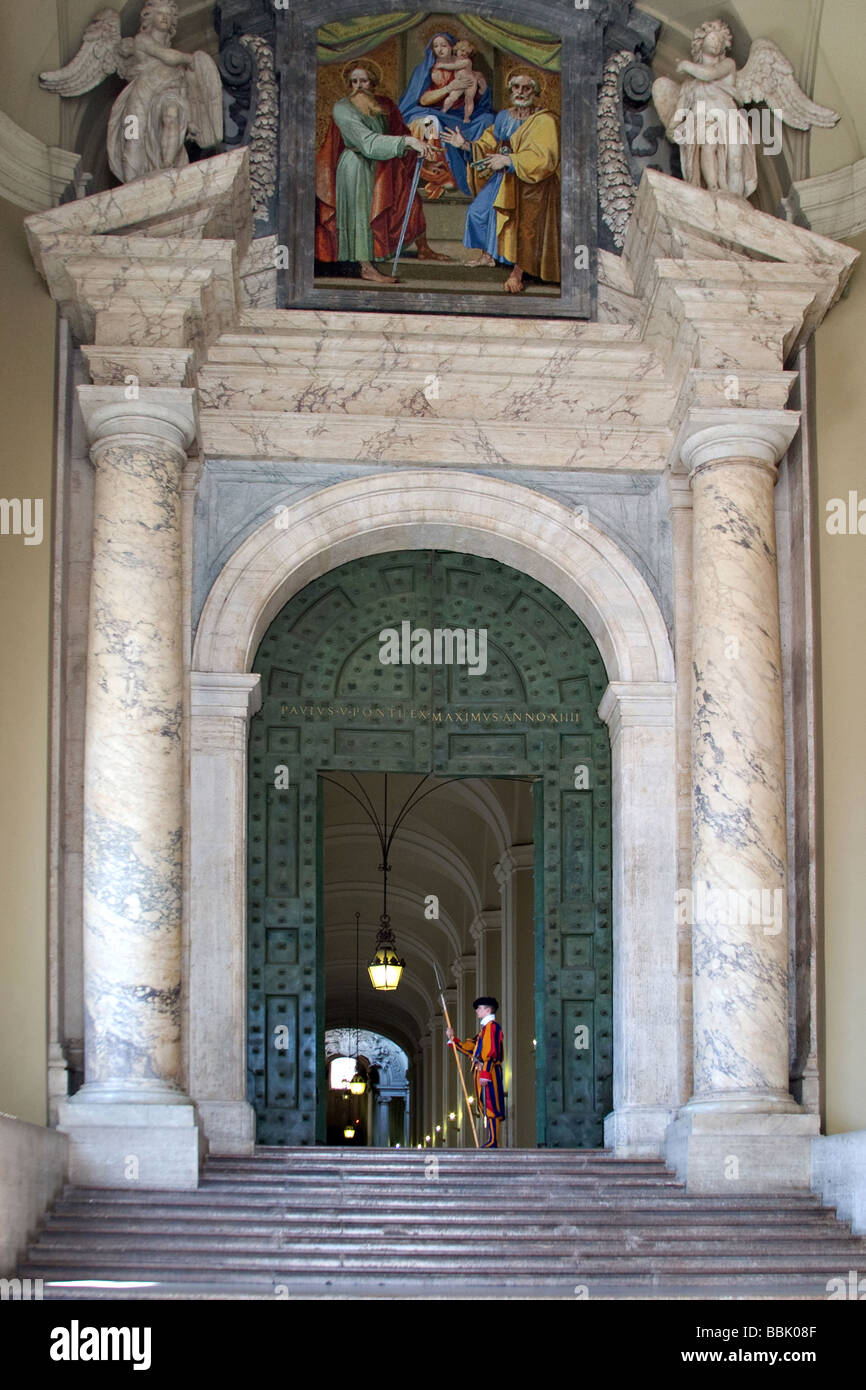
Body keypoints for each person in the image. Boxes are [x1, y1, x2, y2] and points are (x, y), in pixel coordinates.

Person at [315, 65, 450, 284]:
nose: (358, 87)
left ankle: (423, 248)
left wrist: (421, 148)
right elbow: (367, 143)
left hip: (385, 166)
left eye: (364, 81)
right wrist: (407, 142)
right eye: (354, 82)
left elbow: (400, 133)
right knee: (361, 215)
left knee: (409, 200)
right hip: (357, 166)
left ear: (373, 83)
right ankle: (365, 267)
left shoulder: (384, 105)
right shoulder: (343, 108)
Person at [443, 72, 560, 294]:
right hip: (504, 178)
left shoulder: (546, 120)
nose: (521, 92)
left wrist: (510, 160)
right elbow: (488, 144)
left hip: (533, 184)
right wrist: (466, 145)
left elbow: (546, 158)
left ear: (535, 93)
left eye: (527, 88)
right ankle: (488, 256)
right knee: (478, 212)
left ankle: (518, 272)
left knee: (523, 226)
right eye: (516, 87)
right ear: (511, 91)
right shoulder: (504, 117)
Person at [399, 32, 495, 196]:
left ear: (452, 47)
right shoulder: (427, 70)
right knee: (431, 122)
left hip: (460, 116)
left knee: (488, 119)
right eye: (436, 46)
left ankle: (479, 170)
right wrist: (449, 88)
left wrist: (482, 87)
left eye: (444, 45)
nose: (440, 50)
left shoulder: (464, 66)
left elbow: (479, 99)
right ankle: (438, 167)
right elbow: (422, 100)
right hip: (433, 112)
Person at [447, 996, 505, 1148]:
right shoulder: (483, 1032)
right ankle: (491, 1139)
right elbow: (470, 1048)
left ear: (488, 1010)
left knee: (491, 1104)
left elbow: (491, 1052)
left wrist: (485, 1073)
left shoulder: (492, 1027)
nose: (477, 1011)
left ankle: (493, 1140)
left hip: (489, 1071)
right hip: (482, 1071)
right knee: (484, 1104)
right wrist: (453, 1038)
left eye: (479, 1008)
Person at [434, 40, 487, 120]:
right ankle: (444, 110)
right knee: (452, 97)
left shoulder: (467, 61)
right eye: (462, 51)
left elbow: (454, 66)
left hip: (470, 82)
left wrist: (442, 65)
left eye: (467, 53)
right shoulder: (455, 59)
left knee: (469, 99)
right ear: (456, 50)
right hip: (459, 81)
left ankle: (466, 117)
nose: (464, 54)